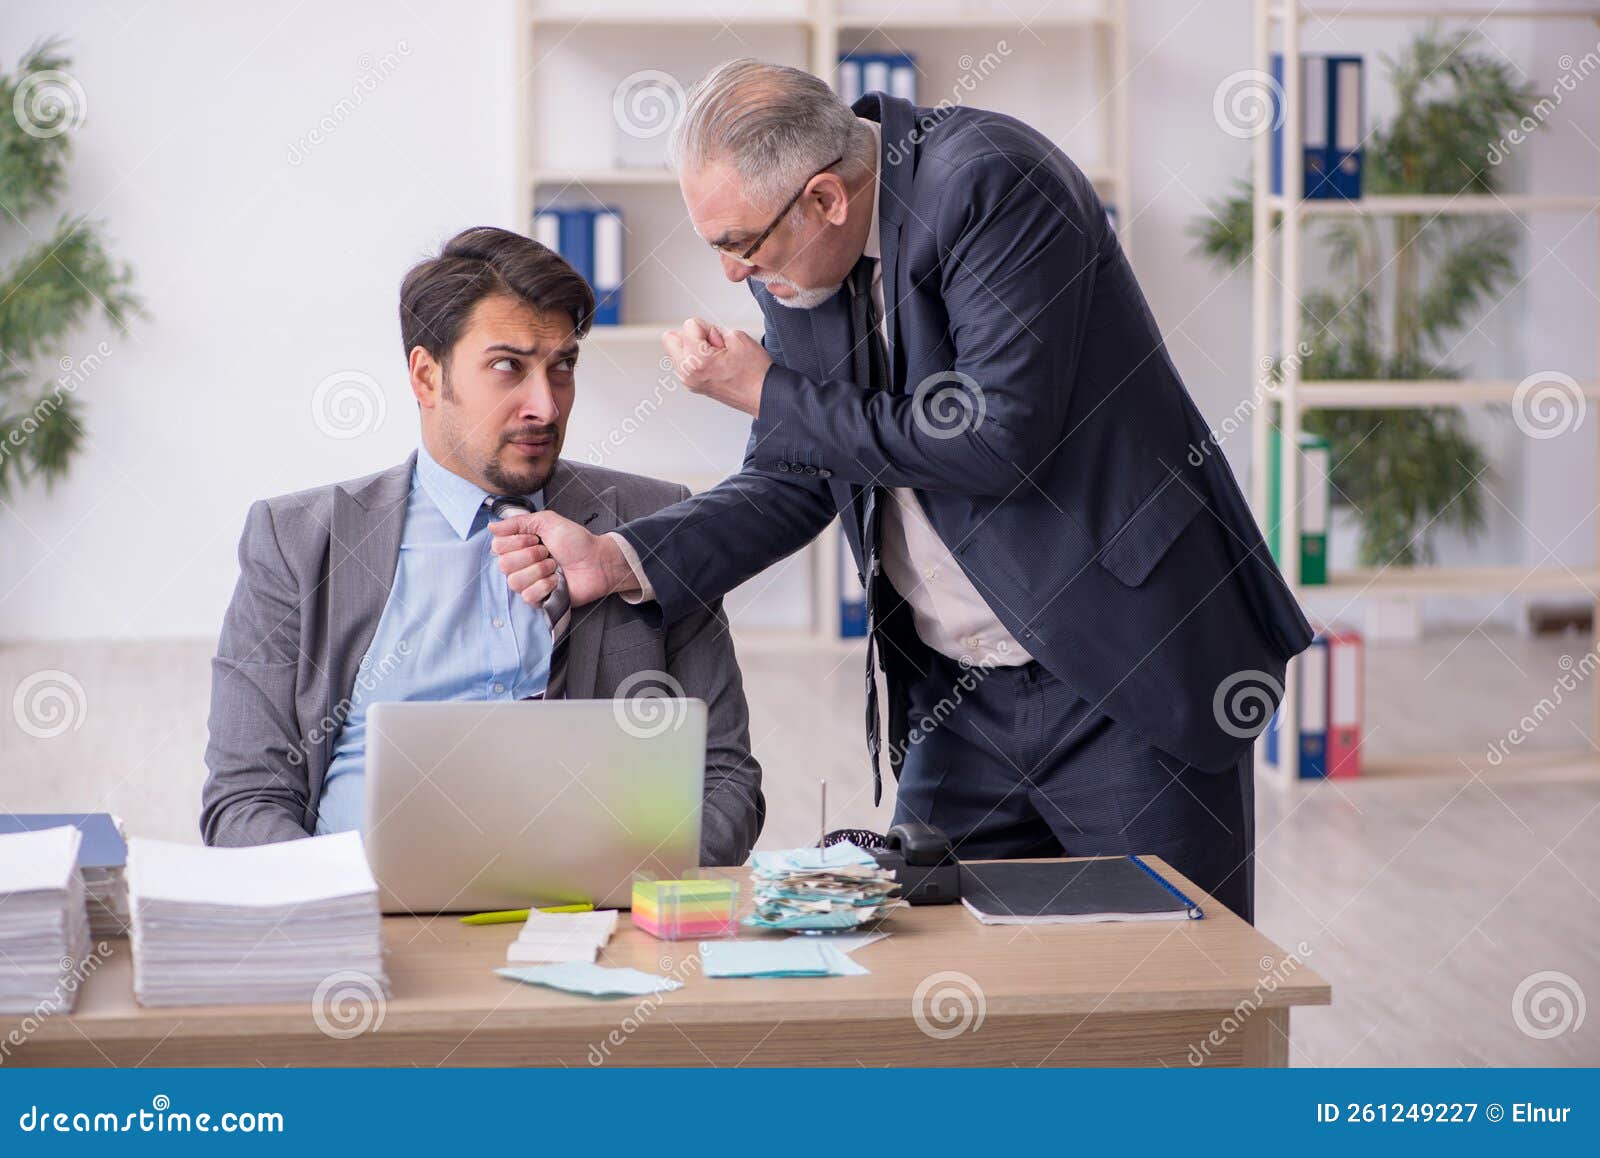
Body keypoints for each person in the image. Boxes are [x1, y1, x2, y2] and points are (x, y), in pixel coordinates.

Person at [490, 62, 1311, 921]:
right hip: (963, 698)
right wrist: (619, 560)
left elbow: (996, 439)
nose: (733, 273)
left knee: (1174, 992)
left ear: (826, 200)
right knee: (922, 969)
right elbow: (798, 470)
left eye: (740, 244)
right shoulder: (801, 259)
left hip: (1120, 662)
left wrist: (767, 389)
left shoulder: (994, 182)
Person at [200, 226, 765, 866]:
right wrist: (335, 907)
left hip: (598, 930)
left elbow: (725, 782)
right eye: (508, 367)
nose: (546, 406)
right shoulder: (299, 541)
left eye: (563, 367)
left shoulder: (652, 521)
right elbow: (244, 804)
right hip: (368, 927)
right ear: (426, 377)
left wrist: (625, 890)